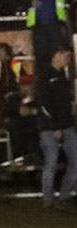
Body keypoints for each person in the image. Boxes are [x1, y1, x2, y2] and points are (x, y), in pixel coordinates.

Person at [35, 45, 77, 210]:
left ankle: (56, 198)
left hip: (62, 125)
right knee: (52, 163)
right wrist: (56, 126)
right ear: (57, 55)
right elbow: (44, 104)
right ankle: (54, 198)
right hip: (53, 127)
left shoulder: (60, 76)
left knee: (53, 163)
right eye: (67, 56)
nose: (68, 60)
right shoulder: (47, 76)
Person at [26, 0, 68, 80]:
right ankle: (44, 83)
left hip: (55, 25)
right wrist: (30, 3)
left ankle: (58, 80)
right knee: (41, 58)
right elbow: (22, 1)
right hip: (38, 26)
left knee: (57, 56)